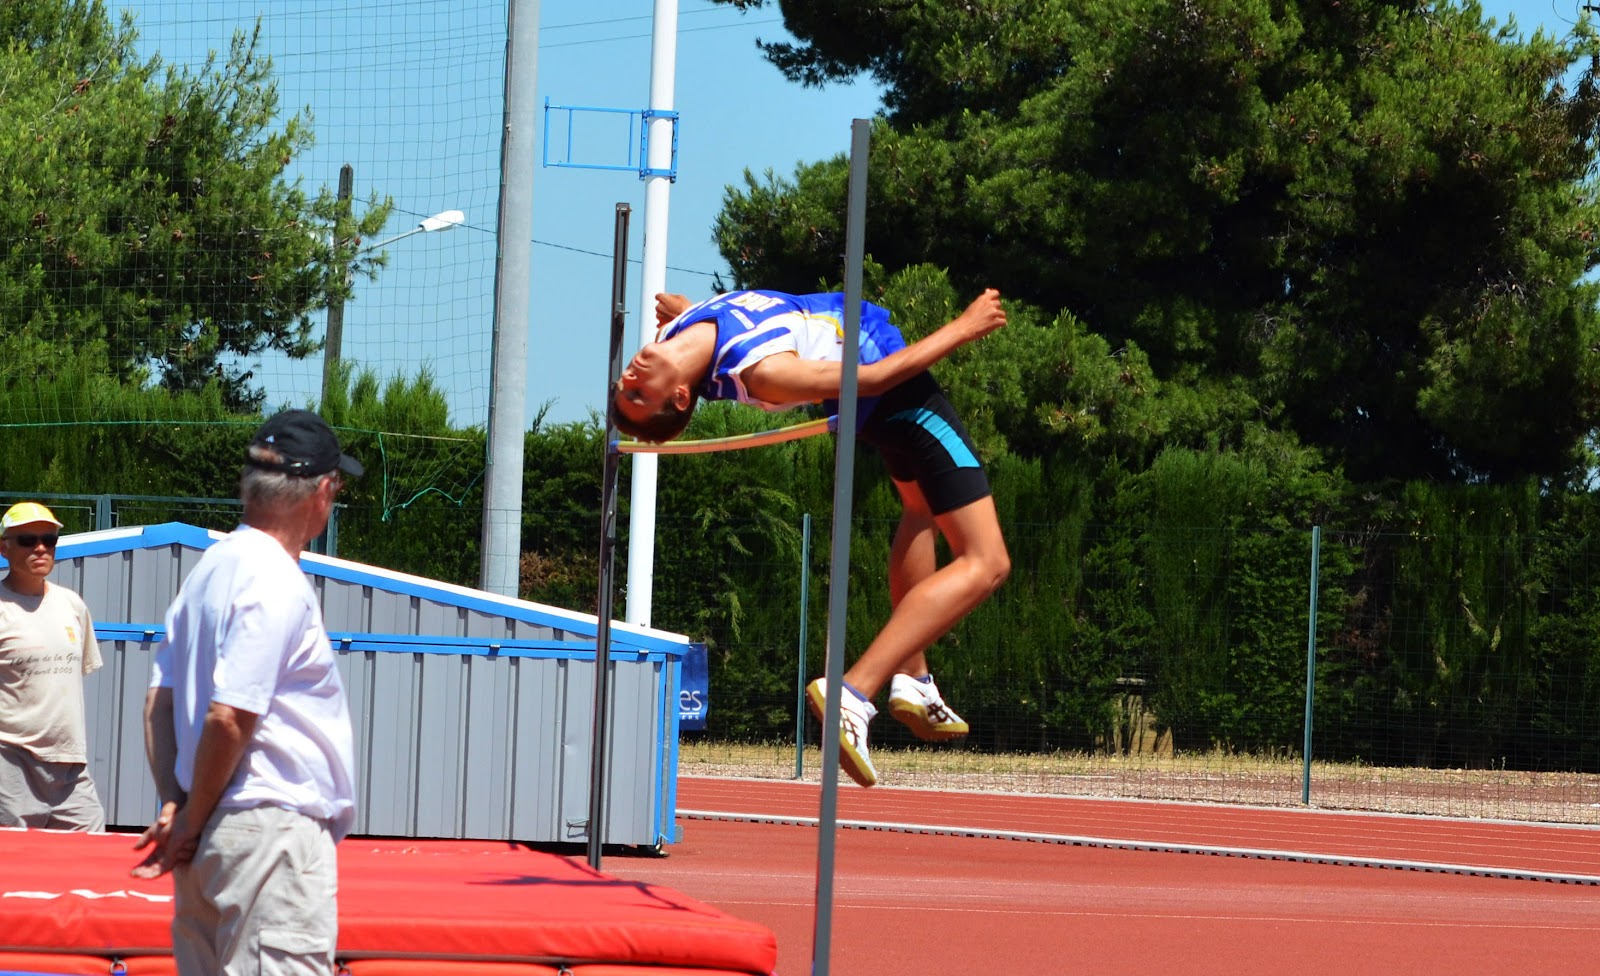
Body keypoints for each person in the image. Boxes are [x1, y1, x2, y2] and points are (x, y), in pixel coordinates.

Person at [612, 287, 1012, 787]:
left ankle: (913, 678)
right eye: (637, 395)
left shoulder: (684, 329)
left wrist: (688, 309)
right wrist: (964, 327)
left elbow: (741, 321)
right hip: (901, 396)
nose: (630, 378)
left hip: (886, 403)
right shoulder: (764, 373)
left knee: (919, 509)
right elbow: (870, 380)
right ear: (678, 396)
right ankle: (854, 693)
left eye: (624, 387)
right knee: (987, 561)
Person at [130, 409, 363, 976]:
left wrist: (178, 804)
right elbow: (231, 716)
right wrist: (190, 817)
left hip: (213, 834)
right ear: (323, 491)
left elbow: (160, 702)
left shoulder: (210, 570)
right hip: (268, 837)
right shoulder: (274, 578)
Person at [0, 501, 105, 830]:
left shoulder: (72, 604)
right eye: (28, 540)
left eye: (49, 539)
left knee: (92, 853)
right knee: (12, 858)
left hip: (72, 768)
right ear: (4, 548)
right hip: (11, 765)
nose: (41, 548)